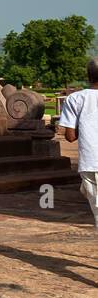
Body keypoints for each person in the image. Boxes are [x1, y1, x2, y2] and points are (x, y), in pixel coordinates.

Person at [58, 57, 98, 229]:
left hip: (91, 161)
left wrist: (86, 125)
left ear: (88, 76)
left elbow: (70, 136)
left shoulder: (75, 99)